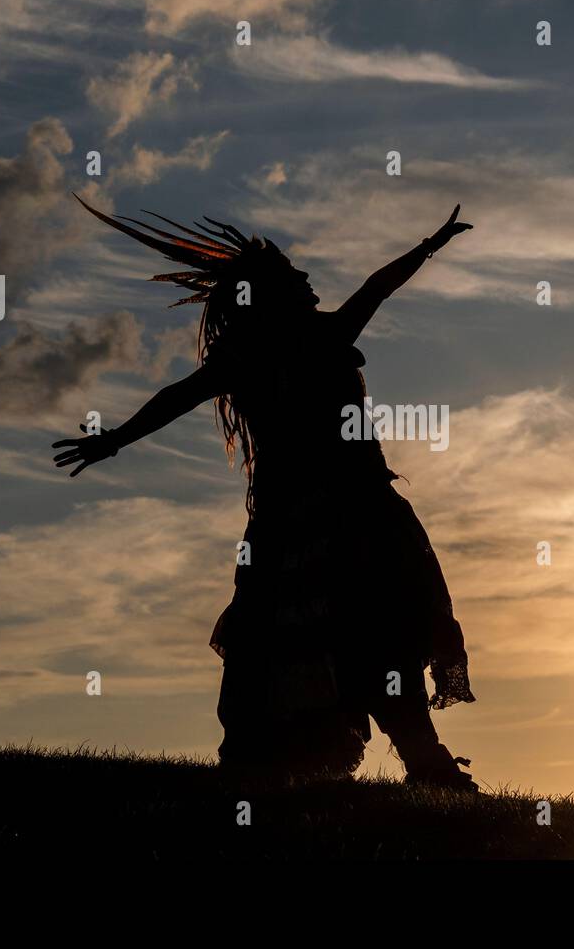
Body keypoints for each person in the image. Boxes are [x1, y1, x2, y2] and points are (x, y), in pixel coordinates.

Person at [53, 197, 477, 789]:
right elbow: (178, 396)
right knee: (344, 639)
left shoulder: (311, 336)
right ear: (266, 292)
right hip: (312, 522)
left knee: (378, 634)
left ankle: (420, 763)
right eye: (290, 273)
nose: (304, 278)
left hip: (353, 513)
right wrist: (117, 439)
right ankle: (336, 764)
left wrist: (429, 247)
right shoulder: (264, 351)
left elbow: (376, 288)